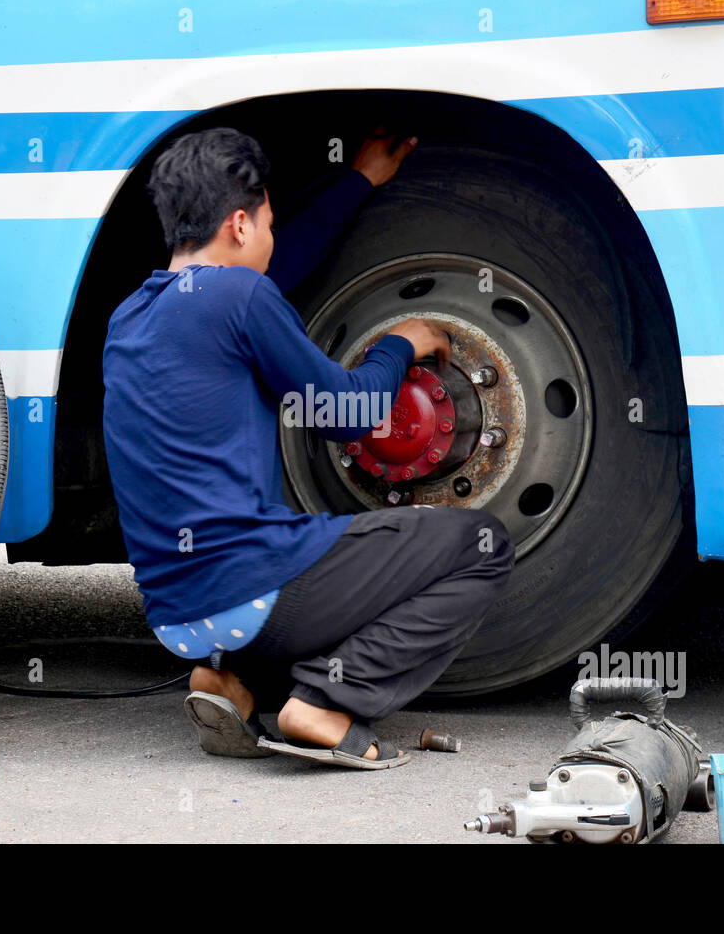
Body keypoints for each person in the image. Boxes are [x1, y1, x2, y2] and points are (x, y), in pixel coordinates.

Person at [102, 126, 514, 770]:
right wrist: (400, 341)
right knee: (483, 546)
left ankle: (225, 682)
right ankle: (326, 699)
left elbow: (270, 270)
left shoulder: (132, 315)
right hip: (255, 594)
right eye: (266, 222)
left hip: (177, 618)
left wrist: (358, 183)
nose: (271, 237)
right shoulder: (240, 297)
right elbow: (350, 413)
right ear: (239, 224)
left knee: (264, 578)